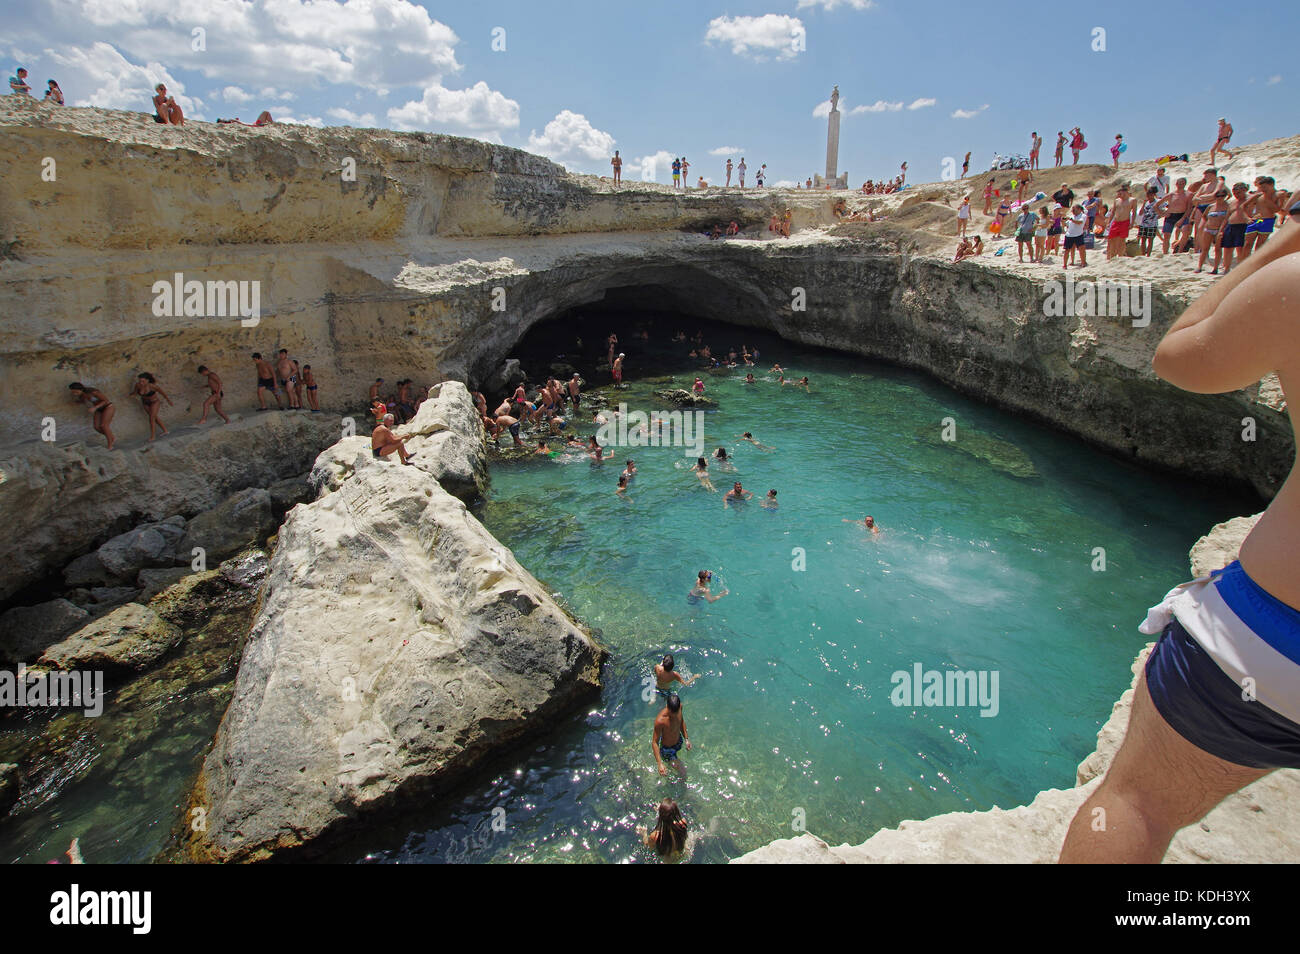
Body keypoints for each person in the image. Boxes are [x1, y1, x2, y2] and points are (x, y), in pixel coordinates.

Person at [1059, 209, 1300, 864]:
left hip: (1277, 637)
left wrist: (1276, 249)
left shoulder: (1295, 283)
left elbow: (1179, 355)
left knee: (1137, 803)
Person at [652, 693, 691, 776]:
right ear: (667, 706)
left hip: (678, 741)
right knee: (683, 773)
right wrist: (659, 764)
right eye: (672, 713)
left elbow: (681, 722)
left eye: (676, 712)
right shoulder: (660, 721)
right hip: (668, 750)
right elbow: (655, 742)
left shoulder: (679, 707)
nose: (674, 715)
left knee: (677, 770)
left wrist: (686, 739)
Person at [68, 382, 115, 450]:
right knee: (96, 427)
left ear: (81, 389)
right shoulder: (82, 395)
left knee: (104, 425)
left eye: (76, 392)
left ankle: (110, 445)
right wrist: (75, 403)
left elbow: (105, 400)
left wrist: (95, 408)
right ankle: (111, 437)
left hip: (108, 407)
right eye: (73, 392)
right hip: (99, 409)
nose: (74, 394)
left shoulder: (93, 392)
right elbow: (83, 401)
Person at [129, 372, 173, 441]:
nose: (141, 383)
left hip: (154, 402)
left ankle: (152, 436)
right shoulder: (138, 385)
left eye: (143, 381)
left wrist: (169, 401)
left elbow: (163, 393)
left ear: (147, 380)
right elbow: (135, 393)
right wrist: (131, 395)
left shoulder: (153, 386)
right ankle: (165, 431)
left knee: (152, 418)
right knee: (154, 417)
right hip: (145, 403)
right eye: (140, 381)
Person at [1158, 177, 1191, 254]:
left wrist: (1182, 219)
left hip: (1182, 215)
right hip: (1170, 216)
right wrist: (1162, 213)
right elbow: (1156, 205)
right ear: (1176, 184)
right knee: (1166, 236)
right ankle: (1165, 253)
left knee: (1186, 232)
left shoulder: (1188, 194)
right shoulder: (1171, 194)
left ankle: (1179, 251)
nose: (1180, 185)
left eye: (1182, 183)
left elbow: (1188, 209)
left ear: (1185, 184)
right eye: (1179, 183)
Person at [1062, 203, 1088, 269]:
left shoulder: (1083, 216)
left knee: (1082, 249)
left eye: (1074, 209)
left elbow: (1079, 222)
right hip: (1069, 235)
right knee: (1067, 250)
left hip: (1078, 235)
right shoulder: (1072, 216)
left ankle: (1083, 262)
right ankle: (1065, 265)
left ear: (1079, 209)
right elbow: (1067, 224)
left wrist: (1071, 219)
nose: (1073, 211)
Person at [1137, 186, 1161, 257]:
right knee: (1143, 240)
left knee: (1150, 240)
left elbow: (1166, 207)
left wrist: (1160, 215)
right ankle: (1143, 254)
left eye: (1150, 195)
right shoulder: (1146, 202)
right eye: (1148, 195)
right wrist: (1144, 204)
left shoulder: (1157, 202)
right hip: (1144, 223)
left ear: (1153, 195)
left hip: (1152, 224)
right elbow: (1140, 213)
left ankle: (1148, 255)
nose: (1149, 196)